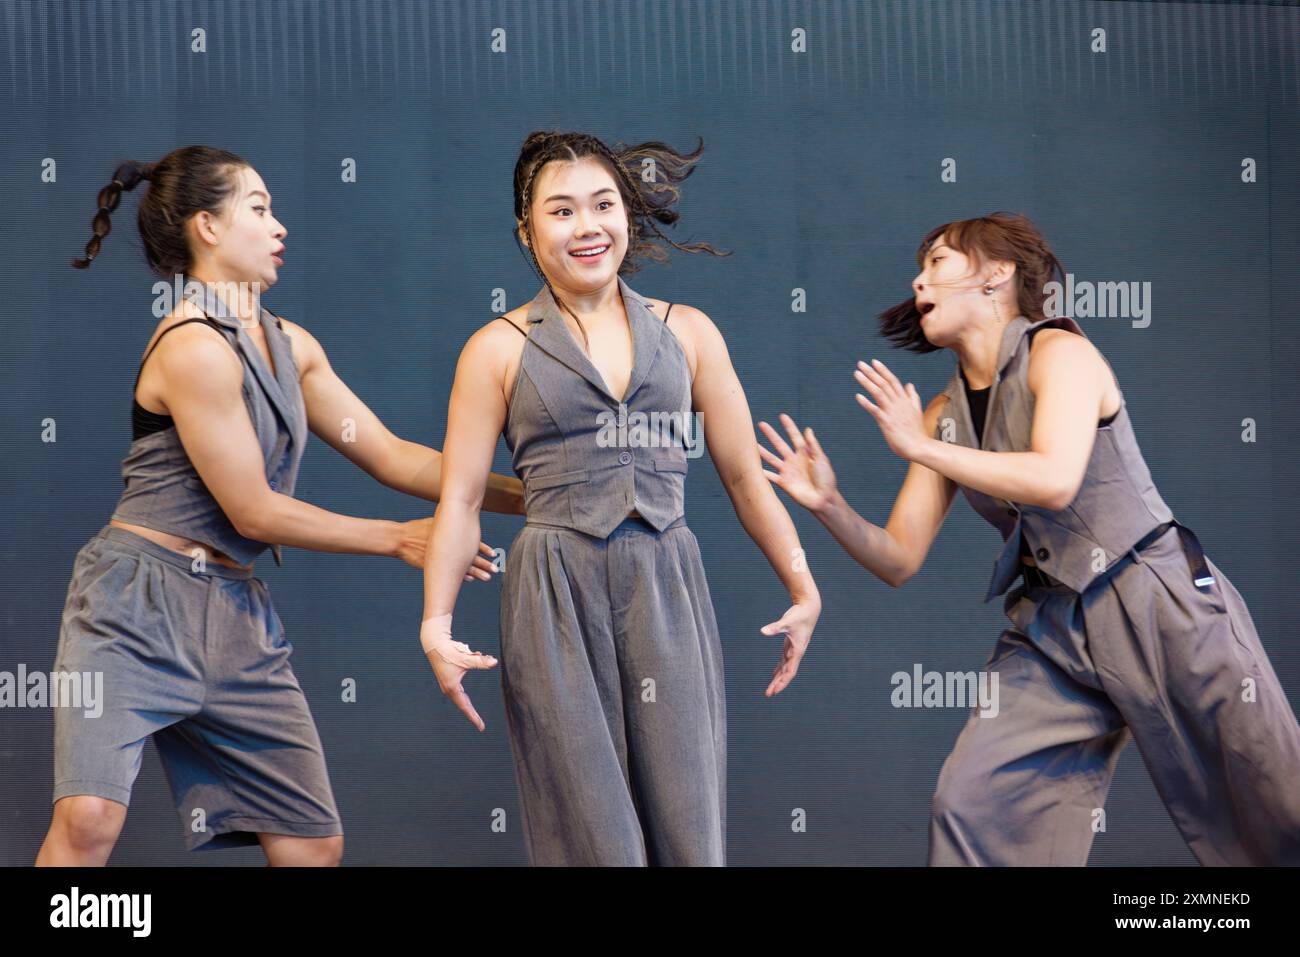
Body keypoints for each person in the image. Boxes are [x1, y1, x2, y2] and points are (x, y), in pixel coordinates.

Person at [759, 211, 1300, 866]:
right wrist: (830, 504)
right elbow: (899, 557)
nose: (918, 278)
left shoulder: (1062, 354)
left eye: (937, 261)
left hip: (1159, 598)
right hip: (1053, 630)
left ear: (996, 275)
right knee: (971, 803)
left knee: (1273, 805)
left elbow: (1054, 478)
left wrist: (918, 446)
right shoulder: (942, 415)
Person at [37, 146, 522, 866]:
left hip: (233, 609)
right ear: (206, 225)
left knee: (312, 842)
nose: (279, 226)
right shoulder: (192, 347)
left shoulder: (291, 345)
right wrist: (397, 539)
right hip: (133, 604)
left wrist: (540, 490)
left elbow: (392, 454)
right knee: (88, 821)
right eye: (259, 209)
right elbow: (253, 512)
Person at [417, 131, 822, 865]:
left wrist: (802, 583)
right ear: (527, 231)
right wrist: (436, 623)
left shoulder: (690, 332)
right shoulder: (496, 347)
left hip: (666, 583)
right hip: (553, 594)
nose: (587, 226)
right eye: (562, 211)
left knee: (689, 832)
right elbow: (460, 498)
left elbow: (742, 477)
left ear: (627, 214)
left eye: (603, 204)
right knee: (593, 837)